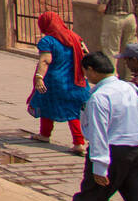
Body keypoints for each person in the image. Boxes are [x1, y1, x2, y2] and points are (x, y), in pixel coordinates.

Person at [71, 51, 138, 201]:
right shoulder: (131, 88)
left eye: (86, 72)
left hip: (112, 152)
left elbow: (98, 133)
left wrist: (100, 165)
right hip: (136, 150)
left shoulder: (100, 97)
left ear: (91, 70)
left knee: (90, 200)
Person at [26, 11, 91, 154]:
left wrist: (39, 77)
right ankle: (72, 140)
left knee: (50, 105)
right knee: (73, 109)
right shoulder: (75, 37)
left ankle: (54, 137)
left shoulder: (48, 41)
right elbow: (86, 54)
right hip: (76, 80)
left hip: (55, 81)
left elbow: (45, 60)